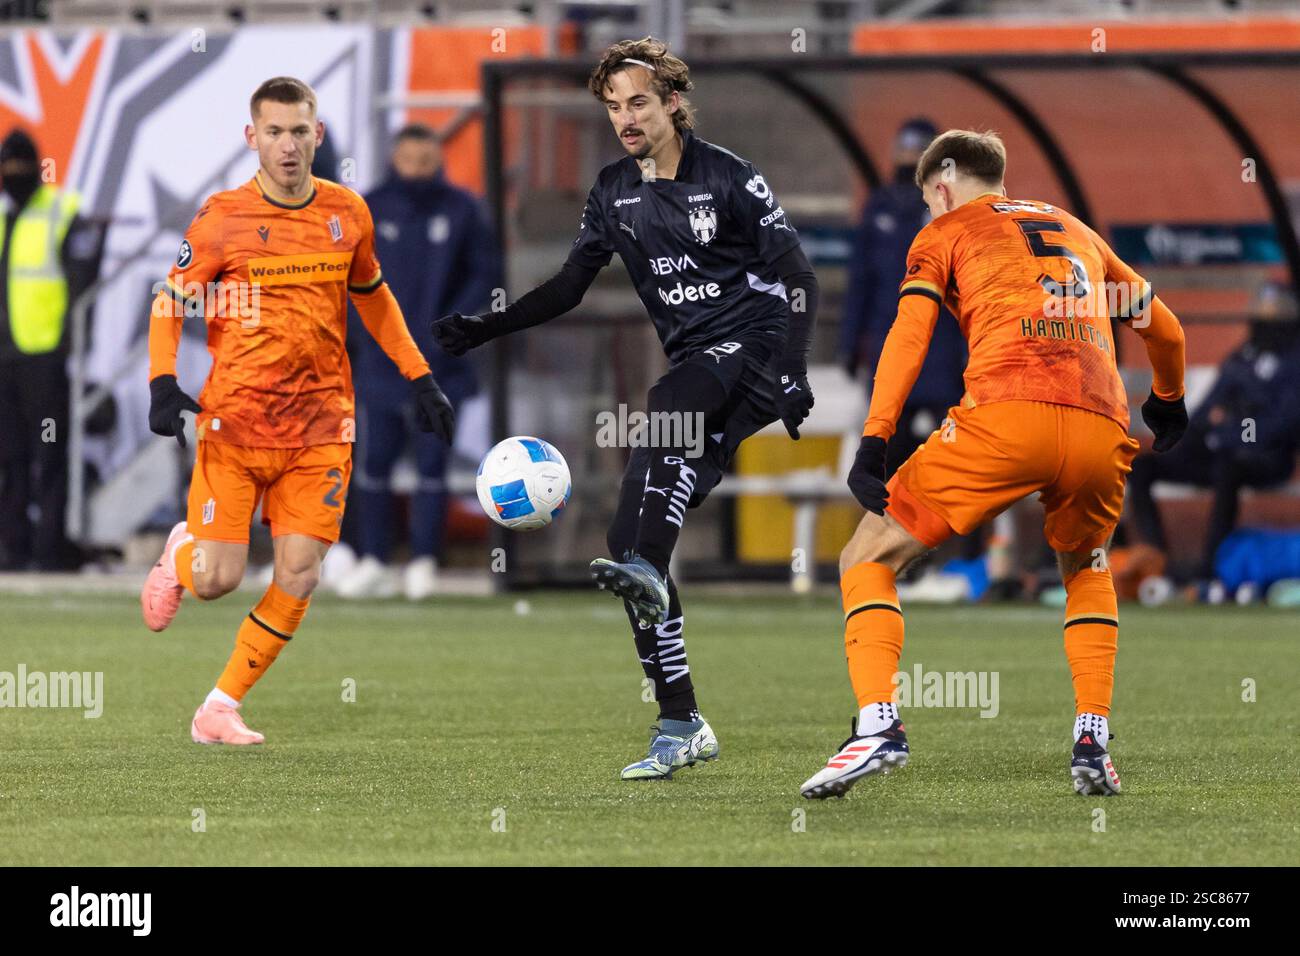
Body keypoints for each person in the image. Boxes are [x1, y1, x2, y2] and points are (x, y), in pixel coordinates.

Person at [433, 37, 819, 780]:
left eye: (638, 101)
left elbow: (796, 274)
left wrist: (796, 369)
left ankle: (647, 567)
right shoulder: (614, 191)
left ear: (675, 100)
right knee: (630, 525)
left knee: (668, 407)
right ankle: (680, 720)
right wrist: (490, 325)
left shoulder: (732, 177)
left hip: (758, 345)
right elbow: (569, 286)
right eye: (612, 106)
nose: (625, 117)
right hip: (703, 373)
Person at [799, 129, 1187, 800]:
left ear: (942, 185)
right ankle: (1091, 736)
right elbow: (1167, 329)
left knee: (865, 557)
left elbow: (911, 331)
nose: (927, 211)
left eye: (926, 200)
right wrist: (1170, 402)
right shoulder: (1076, 231)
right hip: (1101, 423)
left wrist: (875, 440)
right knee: (1086, 568)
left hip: (1010, 413)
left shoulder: (945, 232)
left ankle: (877, 726)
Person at [140, 76, 455, 745]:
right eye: (274, 132)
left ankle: (219, 706)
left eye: (299, 131)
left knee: (300, 572)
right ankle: (180, 554)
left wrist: (420, 376)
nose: (288, 145)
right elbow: (170, 301)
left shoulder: (348, 213)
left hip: (320, 428)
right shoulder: (223, 217)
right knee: (220, 579)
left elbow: (372, 294)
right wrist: (163, 385)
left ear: (318, 135)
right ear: (251, 138)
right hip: (236, 425)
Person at [339, 124, 497, 600]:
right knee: (374, 464)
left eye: (427, 161)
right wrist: (364, 343)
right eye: (410, 160)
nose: (418, 169)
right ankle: (374, 559)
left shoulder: (464, 210)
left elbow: (486, 277)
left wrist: (453, 335)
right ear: (395, 158)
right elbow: (345, 284)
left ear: (438, 160)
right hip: (380, 367)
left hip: (440, 368)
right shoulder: (368, 208)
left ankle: (426, 561)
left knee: (433, 465)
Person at [1126, 281, 1300, 589]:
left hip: (1265, 457)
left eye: (1275, 320)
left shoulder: (1293, 364)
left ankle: (1210, 568)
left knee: (1227, 467)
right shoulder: (1243, 357)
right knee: (1142, 467)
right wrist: (1203, 434)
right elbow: (1208, 411)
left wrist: (1232, 426)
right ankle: (1158, 560)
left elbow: (1278, 425)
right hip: (1220, 449)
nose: (1266, 327)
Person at [0, 129, 102, 570]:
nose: (13, 176)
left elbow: (84, 279)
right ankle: (14, 547)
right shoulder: (5, 217)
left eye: (19, 166)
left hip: (43, 359)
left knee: (49, 453)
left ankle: (48, 547)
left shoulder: (60, 211)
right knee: (11, 458)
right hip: (5, 361)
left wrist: (70, 344)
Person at [841, 118, 966, 477]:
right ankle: (893, 525)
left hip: (942, 349)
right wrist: (850, 345)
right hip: (891, 347)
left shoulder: (950, 210)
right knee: (889, 451)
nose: (908, 158)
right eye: (905, 150)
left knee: (955, 453)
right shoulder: (880, 208)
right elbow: (861, 283)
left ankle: (964, 534)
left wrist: (970, 350)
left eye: (918, 151)